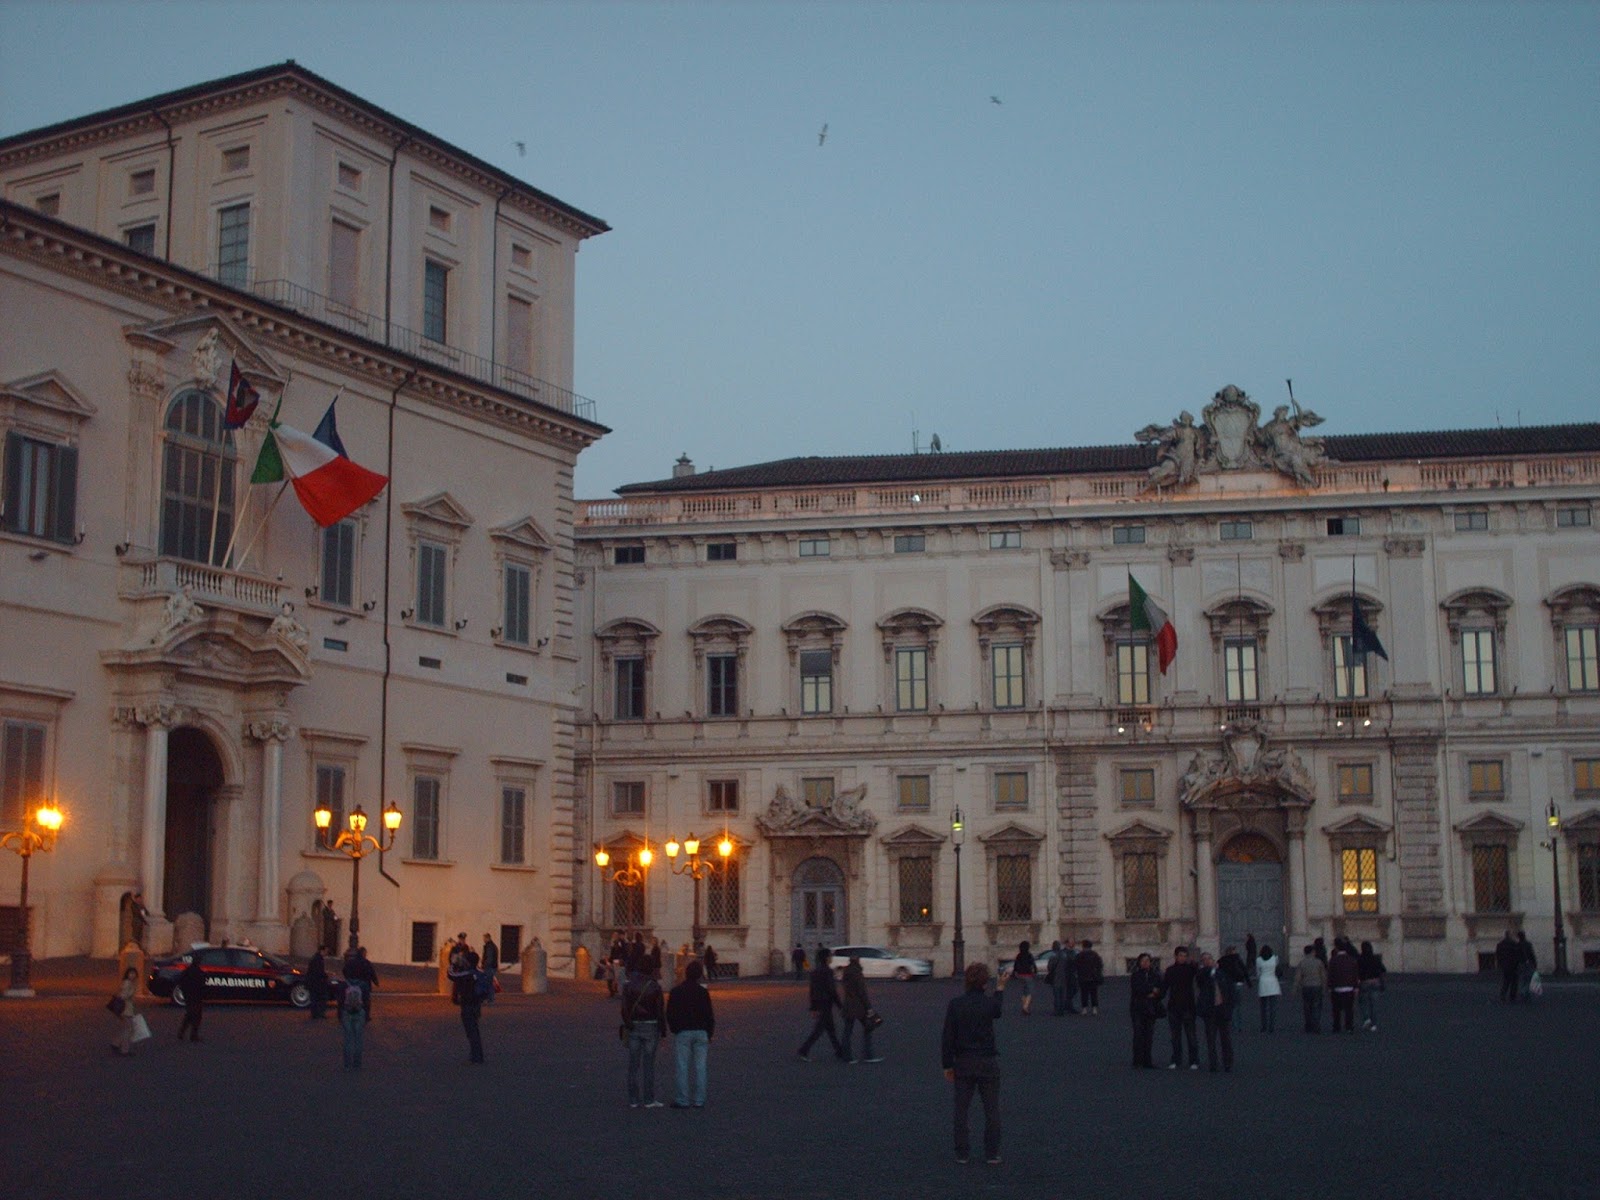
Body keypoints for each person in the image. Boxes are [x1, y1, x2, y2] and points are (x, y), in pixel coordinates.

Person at [942, 961, 1003, 1165]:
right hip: (987, 1060)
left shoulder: (956, 1004)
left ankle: (962, 1152)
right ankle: (992, 1153)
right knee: (991, 1110)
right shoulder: (988, 1003)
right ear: (985, 983)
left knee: (961, 1109)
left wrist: (947, 1064)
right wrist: (1000, 988)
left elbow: (948, 1037)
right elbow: (997, 1010)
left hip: (964, 1061)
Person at [665, 959, 714, 1108]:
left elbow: (670, 1013)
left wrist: (675, 1029)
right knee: (700, 1067)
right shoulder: (703, 992)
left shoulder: (676, 991)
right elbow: (709, 1015)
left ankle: (683, 1099)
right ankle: (699, 1099)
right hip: (701, 1031)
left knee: (682, 1066)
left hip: (683, 1031)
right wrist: (709, 1033)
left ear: (686, 974)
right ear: (699, 975)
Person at [621, 968, 666, 1107]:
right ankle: (648, 1099)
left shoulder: (628, 986)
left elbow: (624, 1007)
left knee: (633, 1064)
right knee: (649, 1064)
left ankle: (633, 1099)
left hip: (634, 1025)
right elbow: (659, 1010)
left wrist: (628, 1023)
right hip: (650, 1025)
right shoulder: (655, 987)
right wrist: (662, 1029)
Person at [797, 947, 848, 1060]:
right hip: (826, 1003)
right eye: (830, 956)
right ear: (826, 958)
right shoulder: (827, 971)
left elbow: (812, 990)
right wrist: (840, 1006)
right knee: (819, 1030)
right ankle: (803, 1050)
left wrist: (813, 1007)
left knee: (830, 1030)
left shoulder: (815, 971)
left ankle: (839, 1051)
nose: (831, 958)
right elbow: (832, 990)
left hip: (819, 1003)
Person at [1195, 952, 1235, 1073]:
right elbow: (1200, 979)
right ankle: (1213, 1063)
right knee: (1211, 1039)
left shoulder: (1222, 974)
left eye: (1209, 959)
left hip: (1222, 1009)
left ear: (1214, 960)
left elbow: (1230, 991)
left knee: (1225, 1038)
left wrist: (1229, 1007)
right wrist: (1208, 970)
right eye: (1204, 960)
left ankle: (1227, 1062)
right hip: (1210, 1011)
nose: (1207, 961)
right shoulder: (1202, 974)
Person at [1161, 945, 1200, 1070]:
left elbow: (1198, 973)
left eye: (1185, 956)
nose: (1183, 958)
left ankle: (1194, 1060)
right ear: (1176, 956)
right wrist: (1156, 996)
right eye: (1181, 956)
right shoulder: (1170, 970)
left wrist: (1194, 963)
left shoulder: (1190, 969)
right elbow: (1165, 987)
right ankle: (1176, 1060)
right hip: (1174, 1006)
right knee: (1175, 1037)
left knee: (1191, 1036)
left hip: (1188, 1006)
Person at [840, 953, 880, 1063]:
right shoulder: (857, 973)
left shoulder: (846, 972)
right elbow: (862, 992)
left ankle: (846, 1056)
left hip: (848, 1004)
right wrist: (869, 1007)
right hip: (859, 1006)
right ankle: (868, 1054)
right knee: (868, 1028)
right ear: (858, 960)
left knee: (847, 1031)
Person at [449, 944, 485, 1062]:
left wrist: (453, 963)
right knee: (475, 1030)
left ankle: (476, 1056)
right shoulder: (478, 973)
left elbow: (451, 975)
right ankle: (477, 1054)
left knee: (471, 1031)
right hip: (476, 1004)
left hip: (467, 1004)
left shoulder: (467, 974)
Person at [1129, 952, 1162, 1068]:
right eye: (1143, 961)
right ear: (1139, 963)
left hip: (1151, 1007)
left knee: (1149, 1035)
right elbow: (1138, 989)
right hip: (1138, 1008)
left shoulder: (1155, 975)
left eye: (1147, 960)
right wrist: (1151, 990)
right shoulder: (1136, 975)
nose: (1145, 963)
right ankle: (1137, 1060)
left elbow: (1160, 990)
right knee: (1138, 1034)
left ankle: (1147, 1060)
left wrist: (1153, 992)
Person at [1328, 937, 1360, 1033]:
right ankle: (1349, 1026)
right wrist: (1356, 987)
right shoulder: (1351, 960)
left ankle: (1336, 1026)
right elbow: (1355, 974)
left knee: (1336, 1009)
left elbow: (1331, 974)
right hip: (1349, 987)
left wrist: (1329, 986)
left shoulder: (1333, 960)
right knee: (1349, 1009)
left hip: (1337, 987)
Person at [1217, 945, 1250, 1034]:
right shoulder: (1237, 959)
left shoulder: (1222, 961)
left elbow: (1219, 973)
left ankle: (1231, 1025)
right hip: (1237, 983)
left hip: (1227, 985)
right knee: (1237, 1006)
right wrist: (1248, 982)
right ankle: (1238, 1026)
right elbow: (1244, 970)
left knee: (1228, 1005)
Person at [1294, 944, 1327, 1033]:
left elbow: (1298, 977)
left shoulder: (1302, 963)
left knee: (1307, 1006)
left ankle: (1308, 1024)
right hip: (1317, 985)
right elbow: (1323, 976)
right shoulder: (1319, 962)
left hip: (1306, 986)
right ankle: (1316, 1025)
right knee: (1316, 1006)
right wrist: (1324, 987)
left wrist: (1295, 988)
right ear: (1313, 952)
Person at [343, 945, 378, 1021]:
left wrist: (348, 978)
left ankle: (352, 1014)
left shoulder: (351, 962)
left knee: (352, 999)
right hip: (363, 983)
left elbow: (345, 970)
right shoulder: (366, 962)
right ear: (363, 953)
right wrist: (376, 982)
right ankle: (365, 1016)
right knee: (365, 1000)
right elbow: (371, 973)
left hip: (352, 983)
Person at [175, 954, 206, 1042]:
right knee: (196, 1016)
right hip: (196, 996)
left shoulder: (187, 971)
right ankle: (193, 1035)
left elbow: (181, 982)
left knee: (190, 1014)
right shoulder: (199, 972)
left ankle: (182, 1032)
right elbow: (202, 985)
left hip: (188, 995)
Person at [340, 971, 366, 1068]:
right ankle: (357, 1063)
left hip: (347, 1013)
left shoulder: (344, 985)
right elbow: (366, 1000)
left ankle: (347, 1064)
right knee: (358, 1039)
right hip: (359, 1013)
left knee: (348, 1039)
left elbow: (340, 1000)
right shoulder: (363, 985)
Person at [1357, 941, 1386, 1031]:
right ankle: (1374, 1025)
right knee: (1374, 1005)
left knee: (1363, 1002)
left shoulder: (1360, 959)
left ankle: (1367, 1019)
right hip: (1375, 982)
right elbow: (1383, 970)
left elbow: (1357, 971)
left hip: (1364, 982)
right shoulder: (1375, 958)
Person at [111, 966, 140, 1057]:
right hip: (125, 1009)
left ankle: (116, 1043)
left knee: (126, 1028)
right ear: (127, 974)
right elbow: (123, 996)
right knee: (129, 1028)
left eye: (134, 973)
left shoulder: (127, 983)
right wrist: (130, 992)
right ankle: (124, 1049)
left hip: (124, 1009)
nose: (132, 975)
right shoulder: (128, 984)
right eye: (131, 973)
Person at [1255, 946, 1281, 1032]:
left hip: (1263, 982)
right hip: (1273, 982)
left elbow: (1258, 973)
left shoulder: (1258, 960)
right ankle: (1271, 1026)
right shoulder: (1275, 958)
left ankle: (1264, 1026)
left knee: (1263, 1007)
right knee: (1272, 1007)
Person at [1077, 940, 1103, 1015]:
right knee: (1093, 993)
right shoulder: (1095, 955)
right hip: (1093, 977)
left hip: (1083, 977)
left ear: (1083, 946)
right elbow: (1099, 965)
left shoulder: (1080, 955)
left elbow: (1077, 966)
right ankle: (1094, 1008)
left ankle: (1084, 1009)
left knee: (1084, 993)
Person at [1011, 940, 1037, 1015]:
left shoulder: (1019, 955)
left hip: (1020, 975)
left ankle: (1024, 1005)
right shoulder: (1029, 955)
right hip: (1028, 975)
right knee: (1029, 992)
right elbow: (1033, 965)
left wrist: (1015, 972)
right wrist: (1035, 972)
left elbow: (1015, 965)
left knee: (1024, 991)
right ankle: (1025, 1007)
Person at [1494, 930, 1520, 1003]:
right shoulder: (1514, 944)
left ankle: (1503, 995)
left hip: (1505, 966)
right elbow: (1517, 955)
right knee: (1514, 982)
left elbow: (1497, 955)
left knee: (1506, 981)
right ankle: (1512, 997)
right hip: (1513, 965)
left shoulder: (1500, 944)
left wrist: (1500, 964)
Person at [305, 947, 329, 1019]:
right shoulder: (318, 960)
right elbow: (318, 972)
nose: (326, 953)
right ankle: (319, 1014)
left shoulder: (316, 958)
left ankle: (315, 1014)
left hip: (314, 982)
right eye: (326, 951)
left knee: (315, 999)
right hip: (317, 983)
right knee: (320, 999)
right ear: (322, 950)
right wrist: (325, 976)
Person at [1516, 931, 1538, 1000]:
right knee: (1528, 978)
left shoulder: (1517, 945)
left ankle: (1523, 992)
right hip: (1528, 963)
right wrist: (1534, 963)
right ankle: (1525, 992)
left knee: (1522, 978)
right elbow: (1531, 954)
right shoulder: (1528, 944)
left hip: (1520, 963)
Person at [481, 932, 500, 1003]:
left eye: (484, 938)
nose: (483, 940)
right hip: (492, 967)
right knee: (489, 983)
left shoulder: (489, 946)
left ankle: (490, 999)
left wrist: (484, 966)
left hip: (489, 967)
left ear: (487, 938)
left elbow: (489, 958)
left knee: (488, 983)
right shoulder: (492, 946)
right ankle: (490, 998)